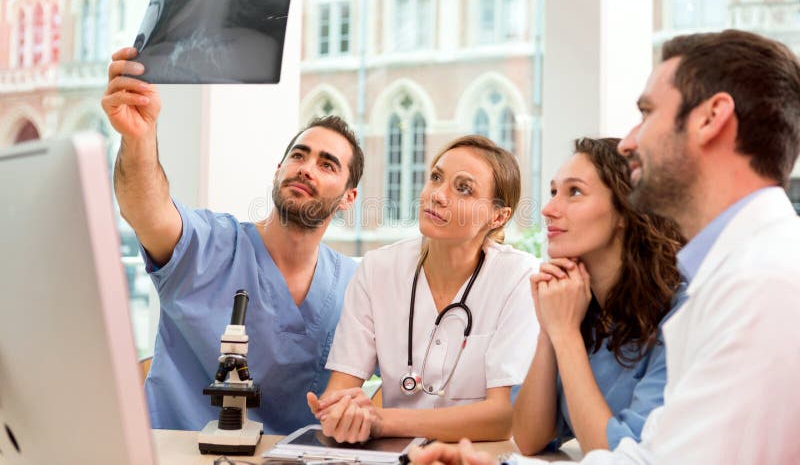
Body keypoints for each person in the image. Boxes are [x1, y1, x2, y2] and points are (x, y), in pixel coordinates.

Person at [409, 29, 800, 465]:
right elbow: (653, 456)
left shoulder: (763, 285)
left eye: (647, 113)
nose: (630, 141)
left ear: (711, 118)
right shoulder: (737, 273)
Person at [101, 47, 364, 433]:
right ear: (278, 171)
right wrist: (139, 137)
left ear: (348, 198)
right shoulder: (210, 247)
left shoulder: (353, 287)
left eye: (327, 164)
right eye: (299, 156)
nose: (306, 168)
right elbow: (145, 209)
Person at [306, 136, 539, 443]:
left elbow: (504, 416)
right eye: (436, 178)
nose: (437, 195)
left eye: (463, 188)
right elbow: (342, 388)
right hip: (396, 456)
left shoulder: (518, 277)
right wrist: (340, 413)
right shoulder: (377, 269)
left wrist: (382, 420)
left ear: (498, 217)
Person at [513, 137, 685, 455]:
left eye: (574, 192)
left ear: (625, 209)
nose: (549, 210)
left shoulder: (681, 312)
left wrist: (565, 334)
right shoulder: (578, 303)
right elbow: (528, 437)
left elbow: (619, 456)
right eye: (553, 192)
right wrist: (549, 332)